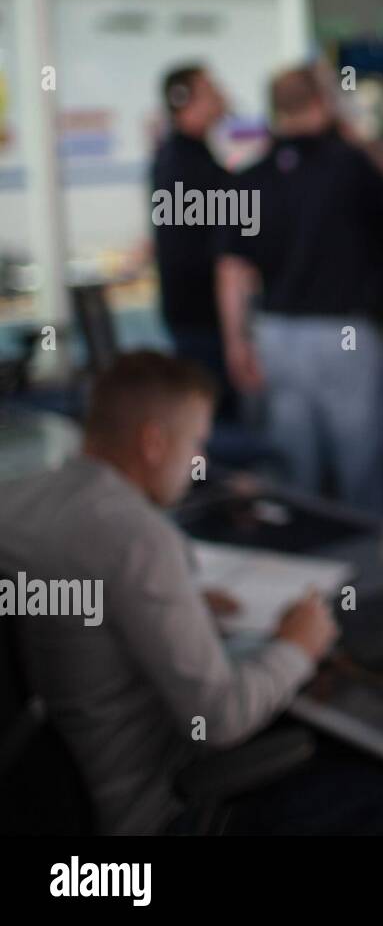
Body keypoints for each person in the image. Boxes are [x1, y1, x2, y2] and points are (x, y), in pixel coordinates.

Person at [0, 351, 336, 835]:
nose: (199, 462)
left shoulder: (20, 500)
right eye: (196, 443)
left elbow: (73, 600)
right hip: (152, 814)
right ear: (154, 443)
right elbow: (221, 717)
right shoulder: (136, 538)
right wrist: (298, 644)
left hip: (44, 800)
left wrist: (176, 603)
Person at [216, 67, 383, 510]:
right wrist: (360, 138)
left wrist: (237, 344)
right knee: (360, 468)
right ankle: (363, 572)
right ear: (323, 104)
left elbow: (232, 270)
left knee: (291, 471)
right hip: (341, 335)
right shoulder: (350, 163)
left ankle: (301, 565)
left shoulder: (252, 175)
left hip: (275, 335)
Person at [149, 65, 235, 413]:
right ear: (187, 102)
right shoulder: (185, 165)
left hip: (194, 315)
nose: (222, 97)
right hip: (200, 319)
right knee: (213, 416)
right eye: (211, 91)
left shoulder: (182, 156)